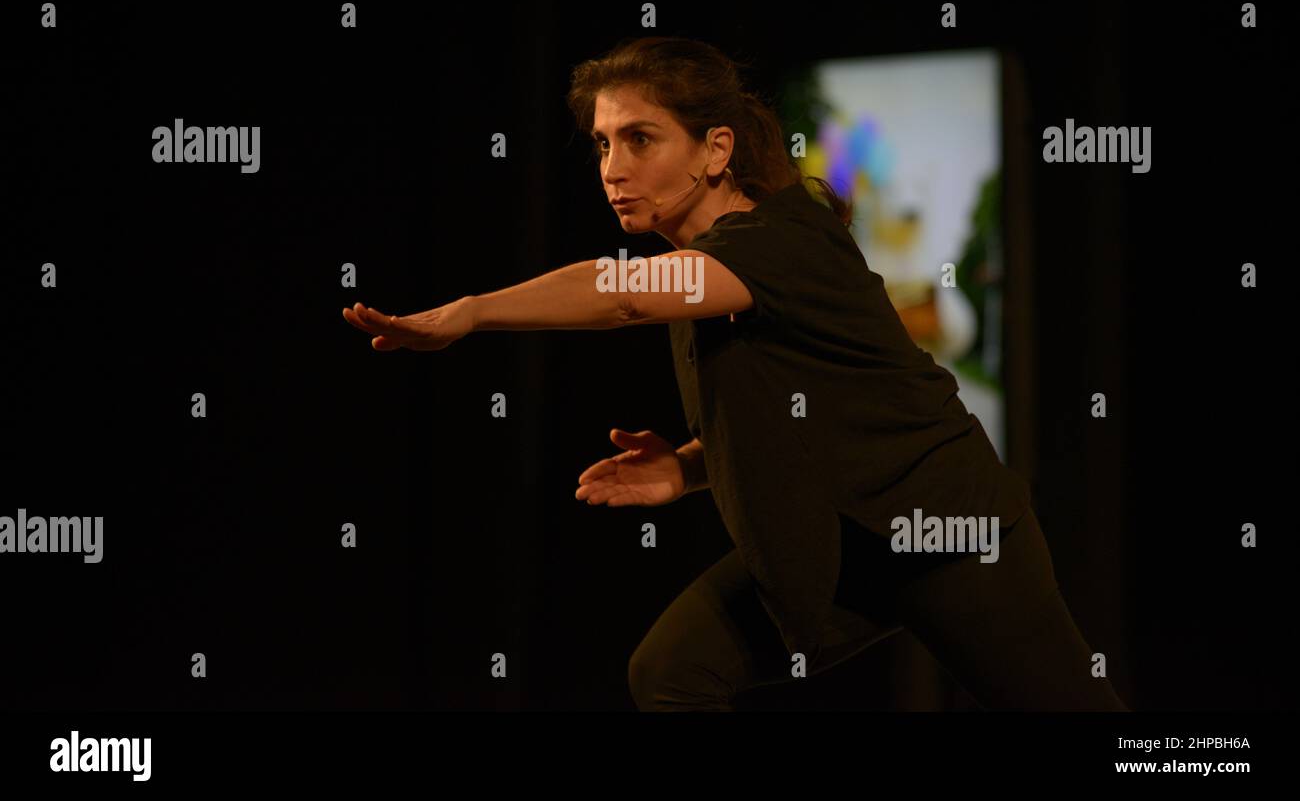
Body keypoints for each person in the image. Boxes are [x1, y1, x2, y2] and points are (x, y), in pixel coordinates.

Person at [342, 36, 1130, 712]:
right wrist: (688, 467)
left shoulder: (778, 241)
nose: (613, 166)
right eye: (603, 142)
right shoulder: (708, 265)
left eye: (640, 139)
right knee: (672, 672)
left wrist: (470, 312)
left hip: (953, 540)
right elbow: (808, 406)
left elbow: (619, 297)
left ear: (716, 149)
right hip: (840, 549)